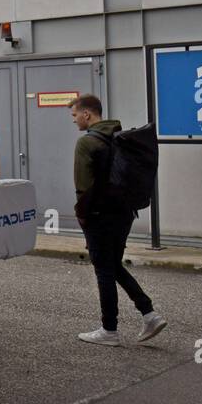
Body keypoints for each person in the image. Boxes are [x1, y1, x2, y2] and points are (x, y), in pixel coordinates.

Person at [69, 94, 166, 347]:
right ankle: (149, 314)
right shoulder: (119, 137)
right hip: (124, 213)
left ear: (87, 114)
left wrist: (82, 216)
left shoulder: (87, 142)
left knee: (103, 270)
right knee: (113, 265)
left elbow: (83, 186)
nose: (74, 120)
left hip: (99, 216)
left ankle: (109, 330)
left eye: (75, 115)